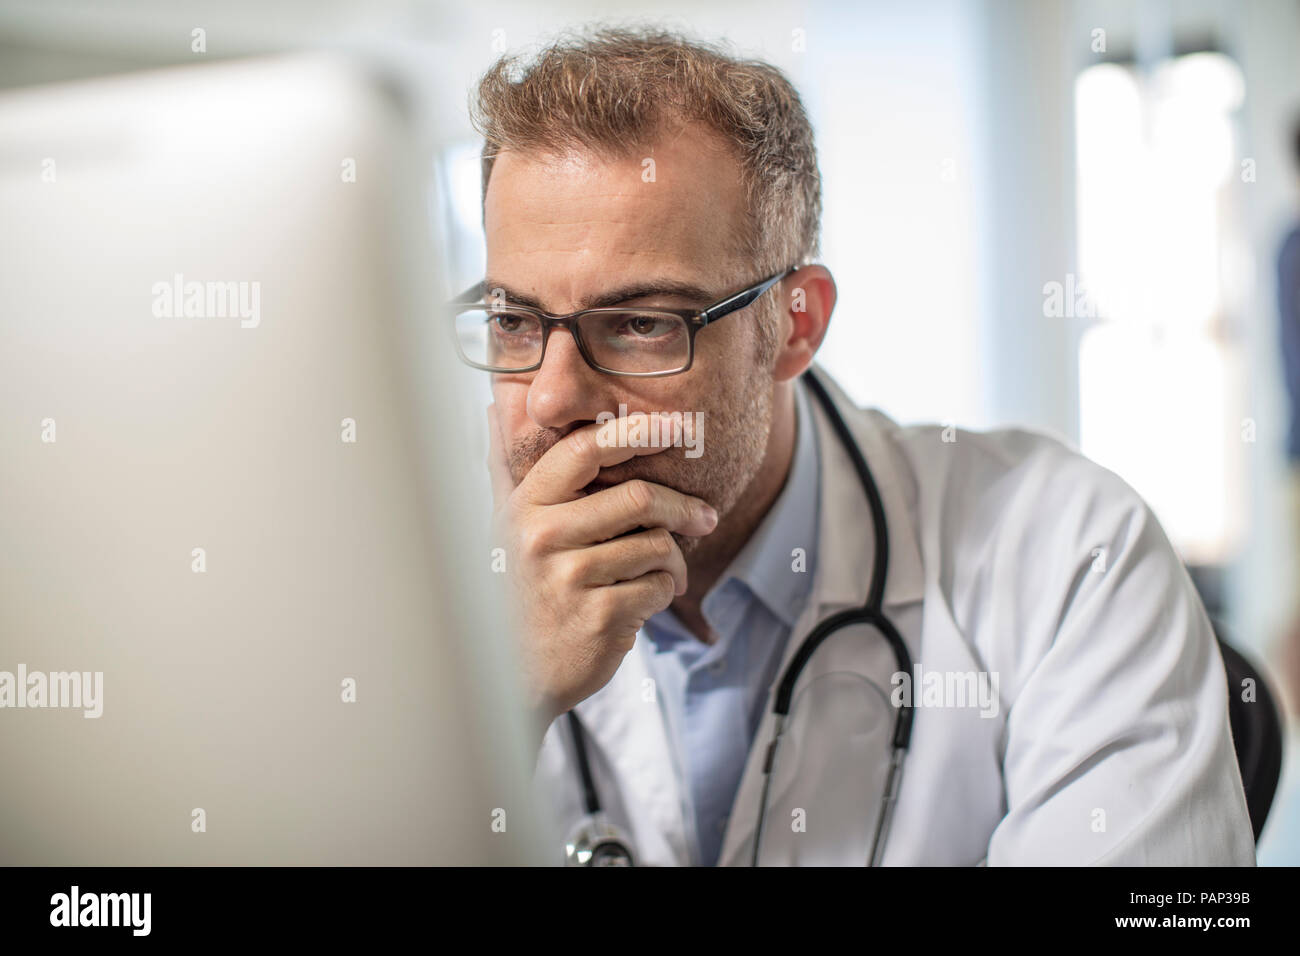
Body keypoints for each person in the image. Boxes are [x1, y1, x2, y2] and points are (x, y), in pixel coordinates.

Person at [456, 27, 1256, 865]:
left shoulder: (1071, 557)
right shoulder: (421, 605)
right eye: (514, 322)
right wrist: (498, 704)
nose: (549, 397)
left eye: (643, 324)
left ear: (794, 325)